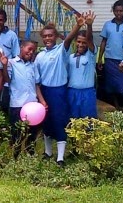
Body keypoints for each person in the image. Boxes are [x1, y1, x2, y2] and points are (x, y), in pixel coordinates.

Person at [35, 17, 83, 166]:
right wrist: (41, 99)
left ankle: (60, 158)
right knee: (47, 122)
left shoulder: (61, 51)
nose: (47, 38)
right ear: (42, 38)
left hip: (59, 92)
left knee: (59, 121)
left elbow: (68, 40)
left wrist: (78, 26)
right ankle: (48, 152)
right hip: (45, 92)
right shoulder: (39, 56)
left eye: (50, 35)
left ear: (55, 37)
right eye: (45, 36)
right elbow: (37, 81)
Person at [7, 40, 46, 157]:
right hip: (17, 105)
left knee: (31, 134)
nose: (31, 52)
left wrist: (42, 101)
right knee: (17, 134)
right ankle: (15, 157)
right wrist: (4, 65)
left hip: (33, 107)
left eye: (33, 50)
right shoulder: (11, 63)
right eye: (29, 49)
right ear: (21, 47)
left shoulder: (33, 66)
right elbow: (7, 80)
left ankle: (30, 155)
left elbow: (36, 85)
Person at [97, 0, 123, 108]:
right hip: (110, 58)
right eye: (116, 11)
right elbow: (103, 41)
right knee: (111, 84)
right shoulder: (107, 24)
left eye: (121, 11)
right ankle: (116, 105)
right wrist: (99, 59)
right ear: (113, 11)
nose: (118, 13)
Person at [67, 11, 98, 119]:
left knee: (88, 120)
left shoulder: (91, 55)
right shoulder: (70, 57)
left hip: (87, 93)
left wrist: (89, 25)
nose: (81, 44)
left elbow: (90, 39)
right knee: (73, 119)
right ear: (75, 42)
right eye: (79, 42)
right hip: (72, 92)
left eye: (84, 43)